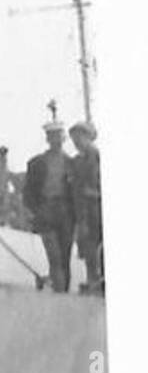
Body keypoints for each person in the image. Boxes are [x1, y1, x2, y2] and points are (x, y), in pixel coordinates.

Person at [23, 118, 75, 291]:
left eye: (58, 136)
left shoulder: (72, 163)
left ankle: (63, 292)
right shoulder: (36, 163)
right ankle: (59, 293)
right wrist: (34, 211)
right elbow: (28, 191)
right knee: (54, 256)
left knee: (65, 255)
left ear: (64, 138)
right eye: (51, 136)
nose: (55, 140)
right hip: (45, 210)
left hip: (66, 212)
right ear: (47, 139)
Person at [69, 121, 103, 293]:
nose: (76, 141)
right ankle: (92, 279)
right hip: (83, 208)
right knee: (87, 244)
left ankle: (96, 280)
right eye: (73, 138)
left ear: (88, 136)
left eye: (79, 137)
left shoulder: (95, 155)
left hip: (94, 207)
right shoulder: (77, 160)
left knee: (93, 243)